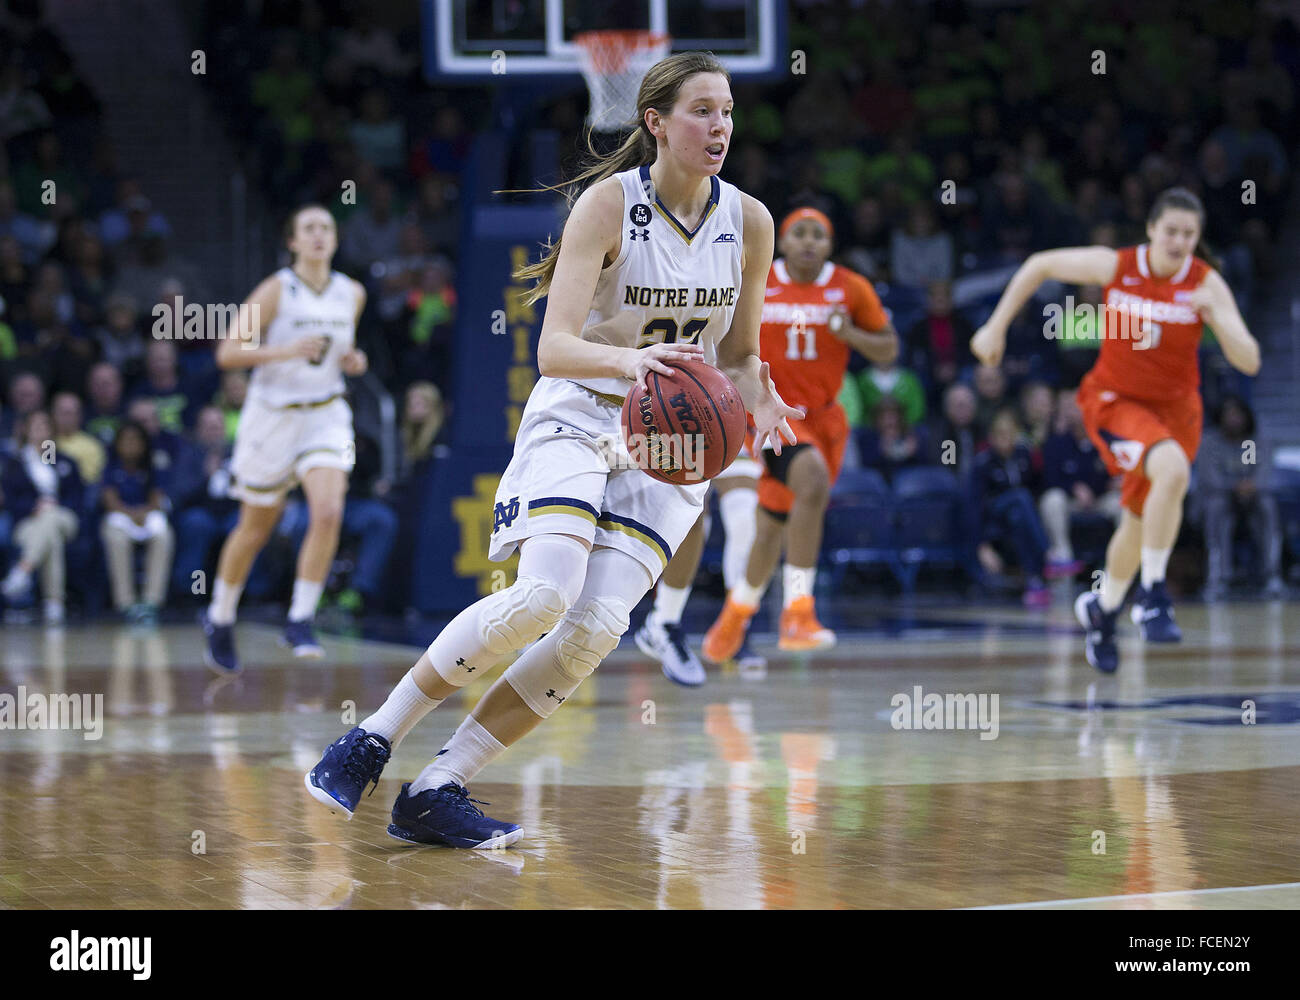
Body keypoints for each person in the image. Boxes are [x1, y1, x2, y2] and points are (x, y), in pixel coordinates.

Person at [304, 52, 801, 848]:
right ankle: (369, 740)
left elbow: (737, 351)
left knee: (596, 626)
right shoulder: (608, 206)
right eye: (703, 111)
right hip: (583, 412)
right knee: (543, 597)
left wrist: (760, 388)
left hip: (672, 445)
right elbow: (556, 348)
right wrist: (630, 362)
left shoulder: (750, 221)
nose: (721, 127)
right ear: (655, 122)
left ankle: (438, 787)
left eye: (729, 111)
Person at [972, 188, 1261, 672]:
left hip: (1176, 412)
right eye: (1171, 230)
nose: (1179, 241)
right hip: (1115, 403)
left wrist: (1218, 320)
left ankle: (1102, 611)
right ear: (1150, 229)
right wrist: (995, 328)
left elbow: (1249, 359)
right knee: (1170, 471)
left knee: (1138, 520)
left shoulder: (1205, 283)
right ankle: (1153, 596)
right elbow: (1039, 265)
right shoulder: (1117, 266)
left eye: (1189, 234)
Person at [702, 206, 897, 666]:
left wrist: (850, 333)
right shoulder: (757, 281)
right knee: (811, 483)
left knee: (771, 527)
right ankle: (798, 611)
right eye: (799, 233)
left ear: (830, 245)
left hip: (826, 418)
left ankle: (734, 617)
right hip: (772, 415)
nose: (808, 241)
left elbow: (889, 347)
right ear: (783, 242)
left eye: (818, 235)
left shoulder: (850, 287)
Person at [200, 204, 368, 672]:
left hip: (326, 412)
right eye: (308, 228)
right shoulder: (277, 289)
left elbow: (345, 353)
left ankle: (300, 618)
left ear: (334, 240)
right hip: (272, 416)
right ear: (292, 241)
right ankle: (220, 615)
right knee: (256, 527)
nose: (318, 235)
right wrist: (284, 350)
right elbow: (228, 353)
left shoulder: (351, 293)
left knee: (329, 511)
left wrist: (355, 362)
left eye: (326, 228)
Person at [0, 409, 84, 624]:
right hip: (29, 522)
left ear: (52, 429)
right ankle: (54, 604)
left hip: (64, 517)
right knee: (51, 538)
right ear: (25, 430)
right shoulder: (15, 463)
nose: (40, 430)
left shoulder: (62, 459)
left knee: (52, 516)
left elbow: (76, 498)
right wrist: (34, 506)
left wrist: (52, 504)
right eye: (35, 425)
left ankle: (22, 571)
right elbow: (11, 501)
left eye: (44, 425)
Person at [1197, 394, 1284, 599]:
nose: (1234, 419)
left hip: (1251, 499)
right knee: (1216, 507)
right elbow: (1210, 478)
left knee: (1266, 505)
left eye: (1238, 414)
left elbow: (1255, 472)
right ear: (1220, 417)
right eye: (1229, 414)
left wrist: (1250, 485)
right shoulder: (1211, 442)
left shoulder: (1250, 442)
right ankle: (1218, 577)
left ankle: (1272, 575)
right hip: (1219, 498)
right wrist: (1234, 486)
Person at [99, 420, 173, 624]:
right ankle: (126, 602)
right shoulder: (110, 467)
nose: (131, 445)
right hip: (121, 517)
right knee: (116, 538)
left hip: (146, 516)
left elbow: (157, 500)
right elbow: (110, 501)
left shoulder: (154, 465)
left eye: (135, 440)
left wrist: (142, 513)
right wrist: (132, 513)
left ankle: (152, 601)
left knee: (164, 535)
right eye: (126, 440)